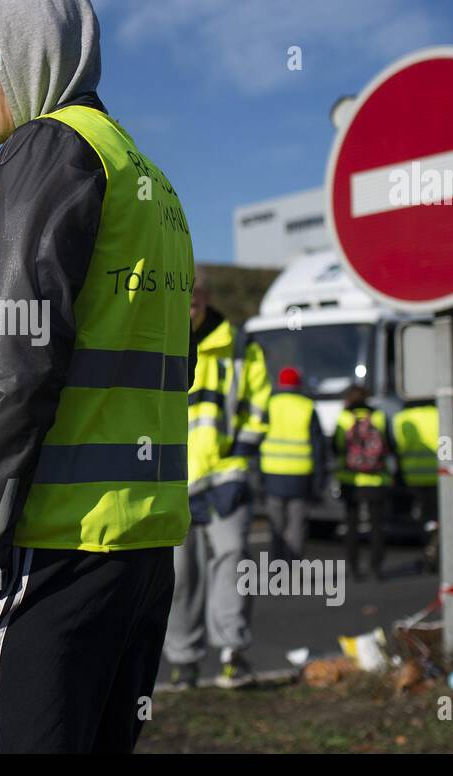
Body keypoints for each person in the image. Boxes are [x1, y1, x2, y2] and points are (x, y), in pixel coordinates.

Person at [0, 0, 196, 753]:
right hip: (139, 556)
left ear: (28, 49)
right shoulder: (151, 182)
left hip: (45, 553)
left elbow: (15, 368)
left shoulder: (46, 148)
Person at [165, 270, 271, 688]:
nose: (189, 307)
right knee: (180, 577)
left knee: (234, 565)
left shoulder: (241, 346)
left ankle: (233, 654)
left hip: (226, 479)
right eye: (183, 299)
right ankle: (184, 660)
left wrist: (239, 463)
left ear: (206, 298)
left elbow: (259, 407)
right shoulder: (159, 342)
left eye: (195, 298)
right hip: (176, 483)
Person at [260, 366, 326, 561]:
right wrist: (320, 479)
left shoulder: (269, 405)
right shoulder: (307, 406)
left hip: (272, 474)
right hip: (300, 475)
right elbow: (318, 447)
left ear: (280, 383)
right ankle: (293, 565)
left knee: (276, 525)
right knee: (297, 524)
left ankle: (276, 565)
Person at [333, 385, 395, 580]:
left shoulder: (344, 417)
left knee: (352, 526)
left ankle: (354, 568)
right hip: (377, 479)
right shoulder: (379, 416)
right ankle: (376, 567)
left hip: (351, 479)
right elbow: (389, 445)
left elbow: (337, 446)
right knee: (377, 525)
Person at [392, 397, 440, 566]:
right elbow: (447, 443)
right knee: (439, 514)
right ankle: (437, 549)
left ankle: (428, 548)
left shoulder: (402, 418)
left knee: (423, 515)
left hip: (413, 476)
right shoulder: (441, 414)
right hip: (439, 475)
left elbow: (398, 448)